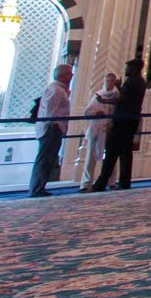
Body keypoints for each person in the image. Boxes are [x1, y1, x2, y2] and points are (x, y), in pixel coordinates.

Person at [90, 57, 146, 192]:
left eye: (128, 67)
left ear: (133, 68)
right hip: (131, 120)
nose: (126, 69)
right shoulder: (140, 82)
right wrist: (120, 87)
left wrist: (105, 101)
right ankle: (124, 182)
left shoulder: (132, 82)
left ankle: (100, 184)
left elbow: (123, 100)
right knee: (126, 152)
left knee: (111, 152)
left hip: (123, 121)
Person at [28, 63, 73, 197]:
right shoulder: (56, 90)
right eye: (70, 73)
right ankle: (37, 188)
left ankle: (39, 187)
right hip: (51, 129)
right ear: (62, 75)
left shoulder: (59, 89)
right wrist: (55, 126)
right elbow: (50, 112)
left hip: (53, 128)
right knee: (45, 158)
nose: (72, 75)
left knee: (47, 158)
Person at [78, 72, 120, 192]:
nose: (109, 83)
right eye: (107, 81)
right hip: (97, 129)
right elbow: (88, 111)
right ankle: (85, 183)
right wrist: (96, 113)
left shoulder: (117, 95)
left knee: (111, 157)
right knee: (90, 156)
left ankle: (111, 182)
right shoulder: (99, 95)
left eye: (112, 81)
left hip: (110, 128)